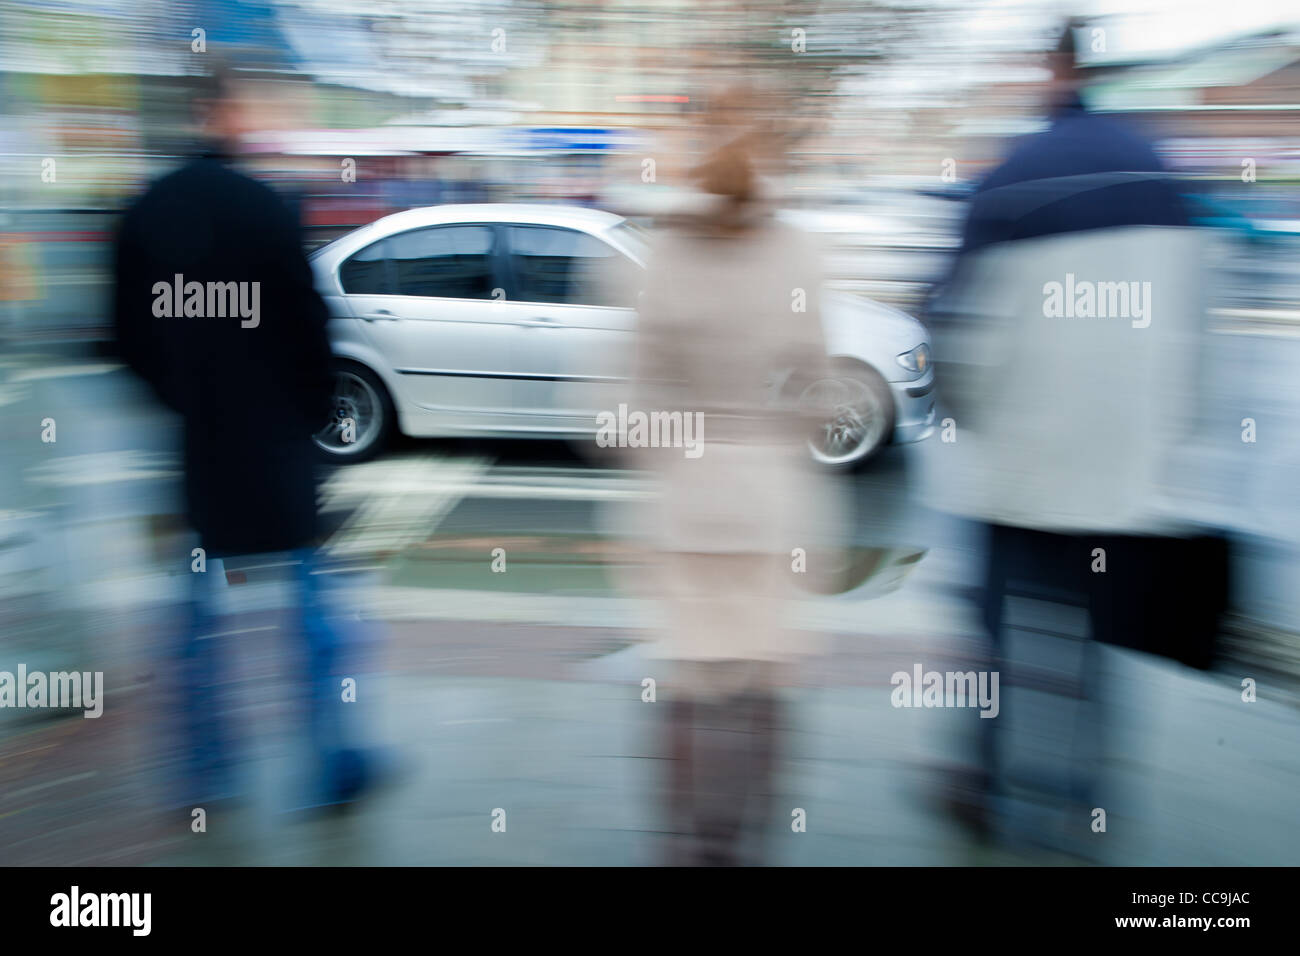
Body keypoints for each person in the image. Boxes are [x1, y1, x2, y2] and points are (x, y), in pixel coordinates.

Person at [928, 22, 1228, 842]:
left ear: (1050, 67)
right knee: (1098, 648)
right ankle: (1085, 804)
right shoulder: (1163, 171)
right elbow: (1198, 332)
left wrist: (974, 421)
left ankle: (986, 790)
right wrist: (1171, 440)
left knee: (995, 635)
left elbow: (957, 332)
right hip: (1124, 479)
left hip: (1019, 474)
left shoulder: (1010, 176)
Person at [113, 58, 376, 811]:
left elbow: (125, 338)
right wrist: (307, 411)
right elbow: (308, 328)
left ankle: (204, 771)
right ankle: (330, 762)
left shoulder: (147, 212)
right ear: (221, 113)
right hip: (277, 448)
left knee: (196, 620)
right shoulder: (265, 208)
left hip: (202, 446)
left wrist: (181, 397)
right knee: (312, 611)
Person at [630, 86, 840, 865]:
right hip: (773, 508)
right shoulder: (801, 255)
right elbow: (817, 392)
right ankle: (746, 842)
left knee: (687, 682)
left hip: (685, 507)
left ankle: (689, 846)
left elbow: (621, 404)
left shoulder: (660, 254)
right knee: (761, 683)